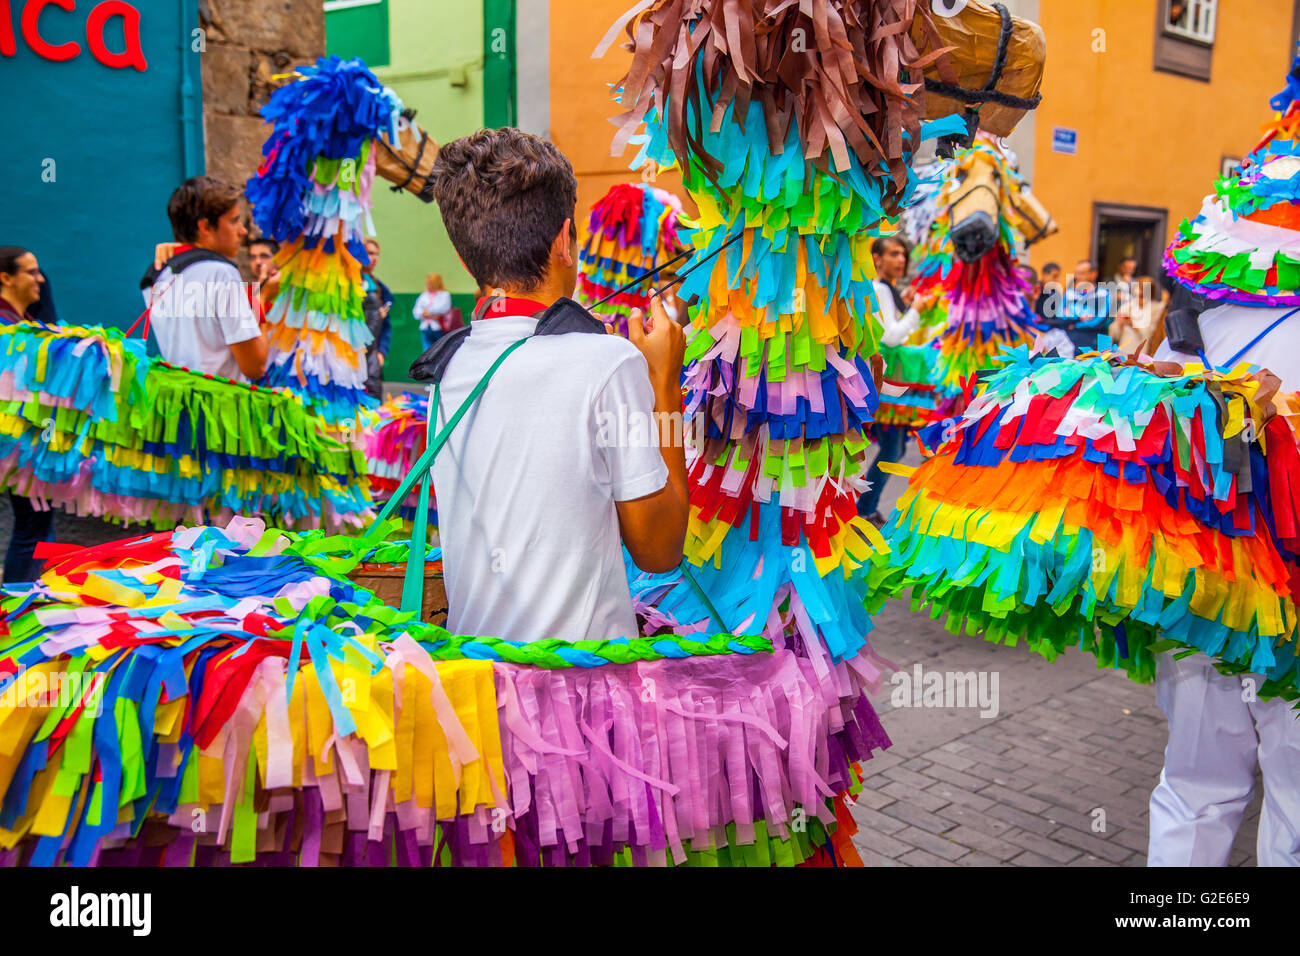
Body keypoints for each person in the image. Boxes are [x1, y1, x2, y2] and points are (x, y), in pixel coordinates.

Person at [426, 126, 688, 642]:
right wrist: (663, 382)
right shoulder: (608, 362)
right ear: (565, 241)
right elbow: (660, 551)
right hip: (581, 689)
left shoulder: (447, 368)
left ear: (464, 259)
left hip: (478, 685)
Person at [144, 177, 268, 382]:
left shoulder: (157, 275)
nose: (243, 231)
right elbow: (256, 366)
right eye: (234, 220)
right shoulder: (221, 273)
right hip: (223, 405)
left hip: (182, 403)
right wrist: (261, 298)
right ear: (205, 227)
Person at [0, 247, 55, 582]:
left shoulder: (25, 325)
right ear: (5, 278)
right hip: (17, 442)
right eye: (31, 272)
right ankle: (15, 604)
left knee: (35, 522)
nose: (40, 280)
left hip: (31, 438)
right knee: (32, 525)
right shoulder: (8, 330)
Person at [859, 236, 916, 526]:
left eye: (903, 254)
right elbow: (891, 336)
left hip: (893, 380)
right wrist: (917, 310)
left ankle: (864, 505)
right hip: (886, 381)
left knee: (895, 446)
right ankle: (864, 507)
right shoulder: (880, 288)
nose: (901, 259)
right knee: (893, 446)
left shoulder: (890, 289)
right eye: (894, 253)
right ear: (877, 259)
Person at [361, 237, 392, 400]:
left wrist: (382, 352)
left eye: (376, 254)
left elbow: (386, 327)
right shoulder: (352, 283)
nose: (374, 258)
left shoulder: (379, 287)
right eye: (369, 253)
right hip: (357, 357)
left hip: (372, 358)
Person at [1059, 258, 1113, 350]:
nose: (1077, 276)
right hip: (1067, 342)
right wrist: (1079, 318)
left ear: (1094, 274)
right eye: (1076, 273)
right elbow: (1060, 316)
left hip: (1092, 343)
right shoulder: (1069, 294)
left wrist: (1074, 324)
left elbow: (1099, 321)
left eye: (1082, 273)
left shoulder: (1104, 294)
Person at [413, 273, 452, 351]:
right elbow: (416, 311)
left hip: (439, 328)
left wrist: (427, 311)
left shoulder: (444, 295)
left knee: (441, 351)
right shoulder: (424, 295)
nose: (428, 285)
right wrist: (426, 314)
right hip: (426, 328)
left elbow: (443, 308)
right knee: (427, 351)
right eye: (427, 283)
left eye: (430, 283)